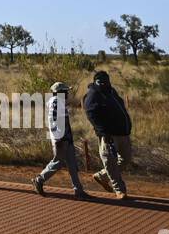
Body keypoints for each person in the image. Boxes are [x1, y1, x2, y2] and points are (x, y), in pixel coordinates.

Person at [33, 82, 90, 199]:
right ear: (59, 92)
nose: (67, 93)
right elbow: (56, 121)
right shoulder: (56, 102)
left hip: (64, 137)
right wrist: (59, 138)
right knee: (58, 162)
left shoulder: (56, 102)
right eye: (65, 91)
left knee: (72, 164)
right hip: (61, 138)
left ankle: (78, 191)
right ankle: (39, 179)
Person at [83, 70, 132, 199]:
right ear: (96, 82)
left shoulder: (112, 92)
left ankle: (102, 176)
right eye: (101, 81)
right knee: (110, 162)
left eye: (106, 81)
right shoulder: (93, 95)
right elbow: (92, 115)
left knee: (126, 159)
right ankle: (119, 190)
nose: (104, 83)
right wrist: (104, 133)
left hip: (123, 132)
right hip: (108, 135)